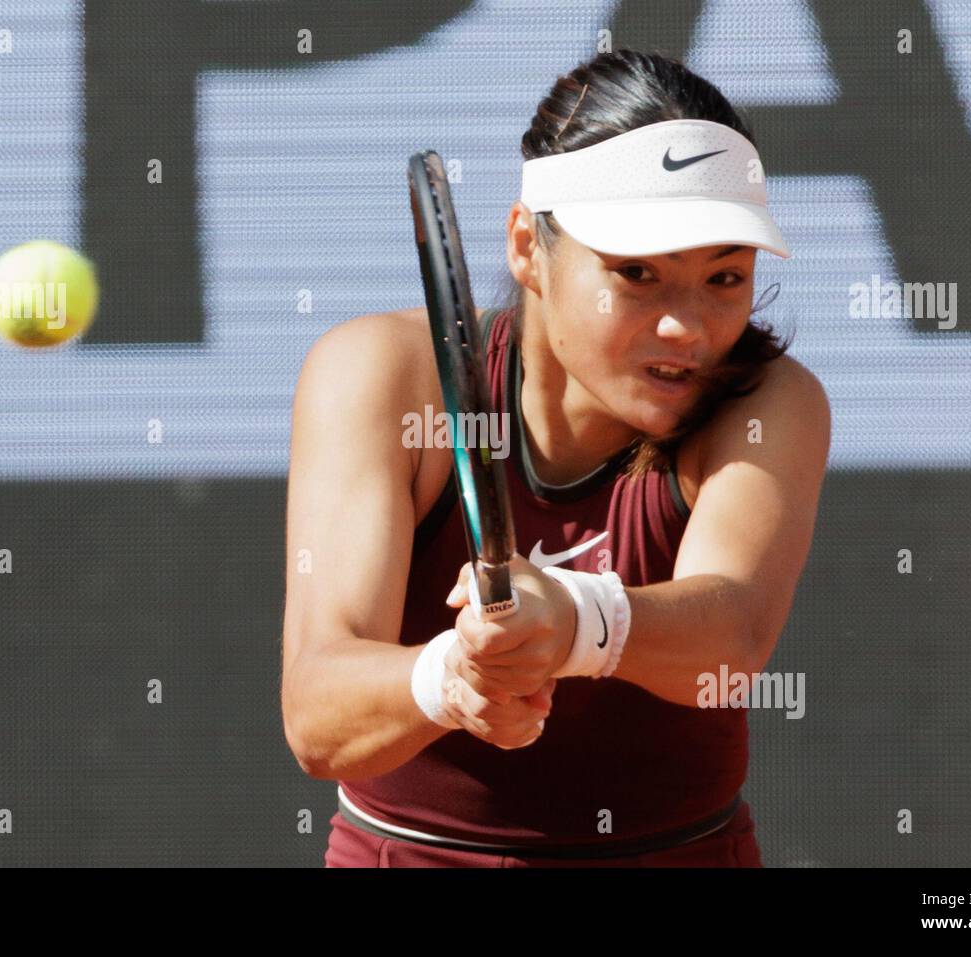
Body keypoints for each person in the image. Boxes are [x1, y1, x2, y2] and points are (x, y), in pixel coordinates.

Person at [282, 49, 830, 867]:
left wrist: (573, 619)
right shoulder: (381, 376)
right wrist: (452, 676)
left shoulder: (769, 403)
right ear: (527, 248)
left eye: (725, 276)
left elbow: (735, 633)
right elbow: (319, 718)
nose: (688, 326)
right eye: (637, 273)